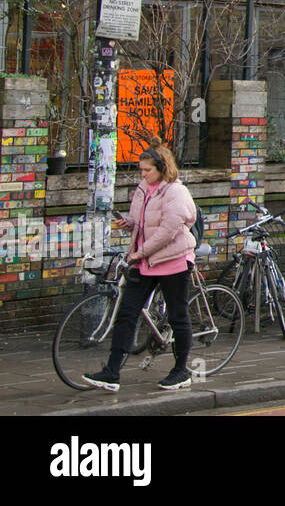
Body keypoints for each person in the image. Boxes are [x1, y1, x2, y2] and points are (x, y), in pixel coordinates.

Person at [84, 138, 197, 391]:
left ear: (162, 167)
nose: (143, 174)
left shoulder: (175, 192)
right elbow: (142, 222)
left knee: (178, 316)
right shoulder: (143, 189)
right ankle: (111, 373)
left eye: (148, 170)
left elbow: (168, 231)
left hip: (173, 261)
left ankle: (181, 371)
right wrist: (129, 224)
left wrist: (139, 253)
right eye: (141, 170)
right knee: (127, 313)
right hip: (145, 261)